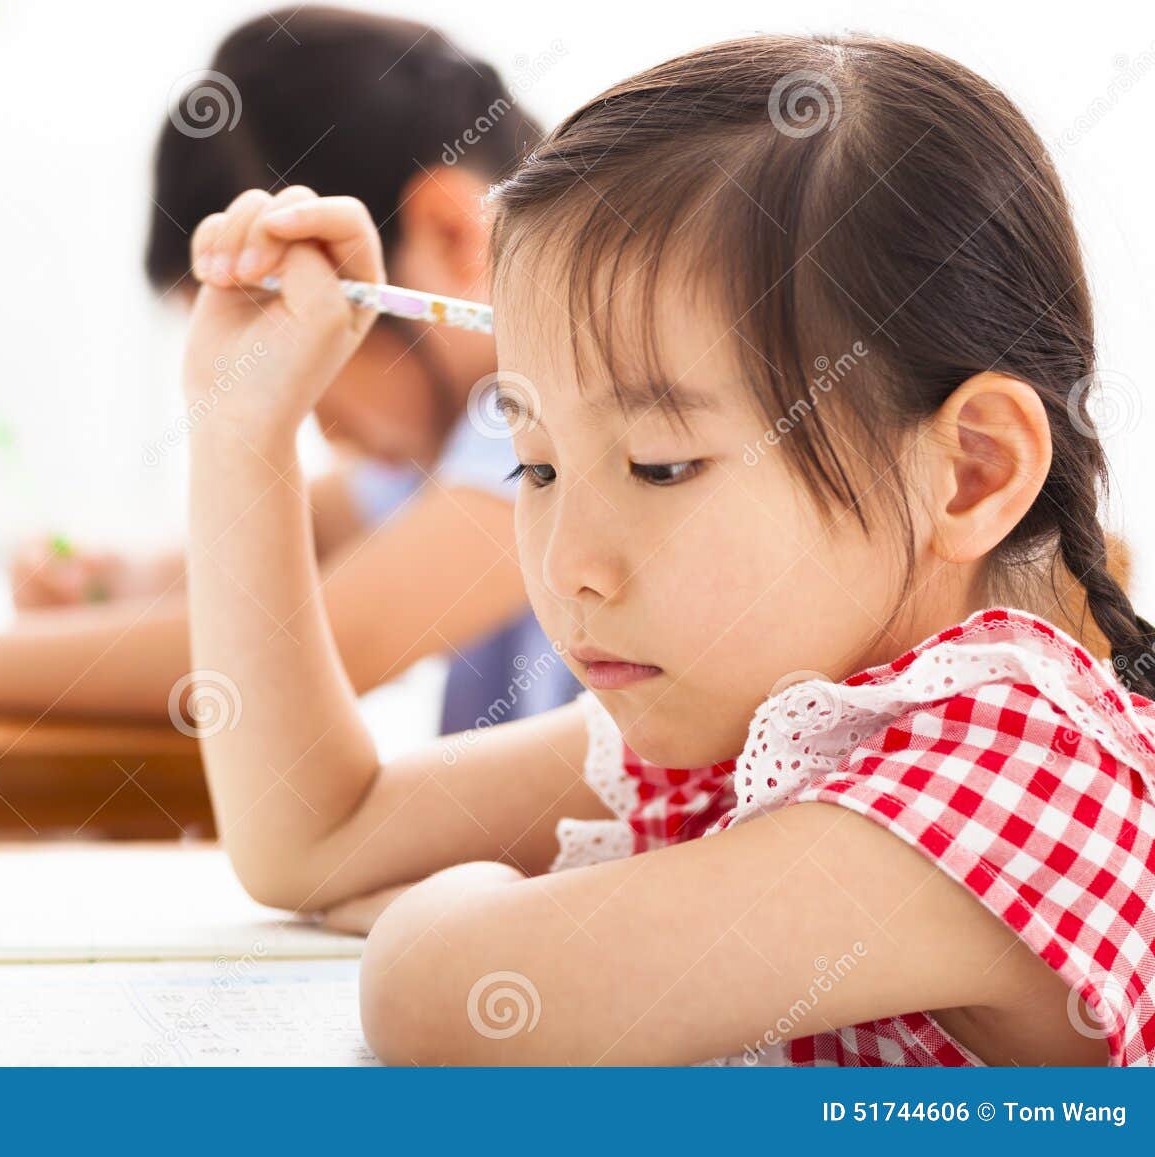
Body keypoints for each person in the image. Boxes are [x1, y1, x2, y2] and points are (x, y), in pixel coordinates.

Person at [179, 34, 1155, 1066]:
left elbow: (443, 997)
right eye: (535, 467)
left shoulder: (1013, 779)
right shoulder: (781, 705)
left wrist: (463, 901)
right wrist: (239, 428)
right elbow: (317, 835)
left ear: (969, 471)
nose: (567, 566)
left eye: (660, 466)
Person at [0, 7, 580, 733]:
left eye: (307, 343)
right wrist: (136, 577)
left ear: (450, 234)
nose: (311, 417)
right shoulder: (455, 443)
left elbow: (308, 645)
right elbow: (316, 529)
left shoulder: (560, 406)